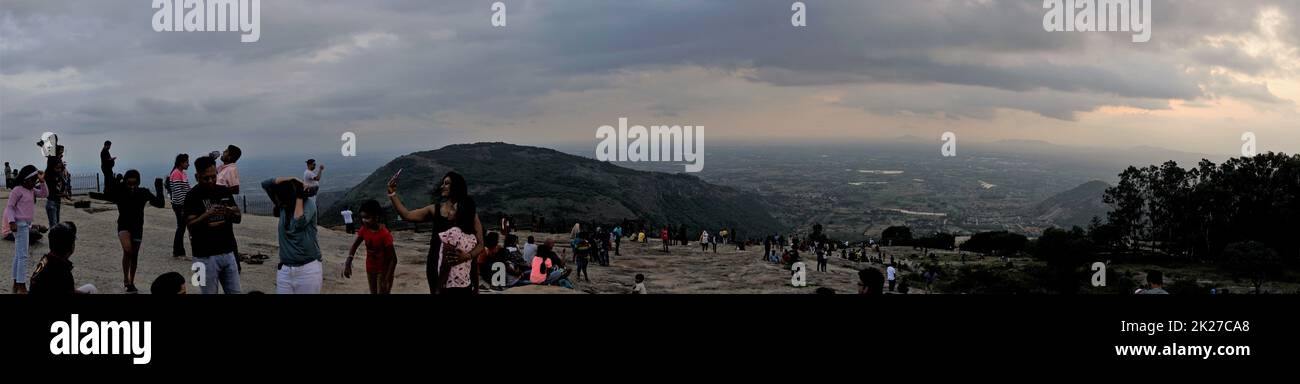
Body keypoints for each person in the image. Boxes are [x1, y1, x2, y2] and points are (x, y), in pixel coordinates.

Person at [389, 171, 484, 294]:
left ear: (457, 186)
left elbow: (481, 244)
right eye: (442, 183)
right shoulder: (434, 209)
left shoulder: (470, 213)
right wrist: (392, 193)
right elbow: (407, 215)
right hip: (435, 263)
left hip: (463, 266)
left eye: (447, 183)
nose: (442, 186)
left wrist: (467, 256)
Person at [102, 164, 166, 293]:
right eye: (129, 183)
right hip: (123, 225)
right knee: (128, 250)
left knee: (134, 255)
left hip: (138, 227)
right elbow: (107, 194)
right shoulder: (120, 191)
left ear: (138, 182)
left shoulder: (143, 192)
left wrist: (159, 187)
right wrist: (114, 181)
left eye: (134, 183)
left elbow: (160, 204)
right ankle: (126, 279)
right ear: (125, 182)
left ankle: (131, 282)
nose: (132, 186)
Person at [185, 157, 242, 294]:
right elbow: (190, 225)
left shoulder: (224, 191)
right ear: (197, 176)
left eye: (213, 177)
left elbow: (238, 218)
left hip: (228, 253)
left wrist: (231, 213)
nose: (210, 181)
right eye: (206, 178)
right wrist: (207, 215)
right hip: (203, 256)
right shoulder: (192, 196)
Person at [264, 177, 322, 294]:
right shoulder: (284, 206)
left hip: (307, 270)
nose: (279, 201)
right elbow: (266, 184)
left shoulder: (309, 204)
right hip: (285, 270)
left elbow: (298, 222)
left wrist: (299, 196)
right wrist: (292, 179)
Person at [8, 165, 46, 294]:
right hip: (20, 225)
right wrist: (11, 221)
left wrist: (42, 182)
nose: (33, 182)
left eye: (35, 180)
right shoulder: (17, 190)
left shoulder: (31, 190)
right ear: (25, 179)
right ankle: (21, 285)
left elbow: (44, 193)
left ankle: (15, 282)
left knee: (19, 255)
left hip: (26, 225)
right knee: (23, 256)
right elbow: (10, 207)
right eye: (32, 180)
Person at [28, 222, 97, 295]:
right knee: (91, 289)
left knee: (90, 288)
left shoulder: (46, 259)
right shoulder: (62, 270)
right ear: (71, 246)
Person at [345, 200, 397, 294]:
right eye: (362, 217)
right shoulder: (364, 229)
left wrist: (387, 278)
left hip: (383, 270)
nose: (364, 220)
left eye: (367, 217)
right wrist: (348, 261)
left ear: (376, 217)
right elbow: (355, 245)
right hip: (370, 268)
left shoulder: (385, 235)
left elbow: (394, 259)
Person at [167, 154, 191, 258]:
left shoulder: (182, 173)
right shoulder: (176, 173)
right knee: (181, 228)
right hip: (180, 205)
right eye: (186, 162)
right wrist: (184, 206)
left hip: (182, 204)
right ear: (181, 163)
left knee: (182, 228)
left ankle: (179, 251)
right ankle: (178, 251)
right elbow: (177, 192)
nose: (188, 164)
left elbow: (186, 189)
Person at [44, 145, 67, 229]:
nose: (59, 170)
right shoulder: (50, 176)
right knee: (54, 226)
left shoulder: (59, 175)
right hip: (52, 202)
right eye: (57, 168)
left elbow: (63, 183)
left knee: (57, 224)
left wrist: (63, 193)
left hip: (57, 201)